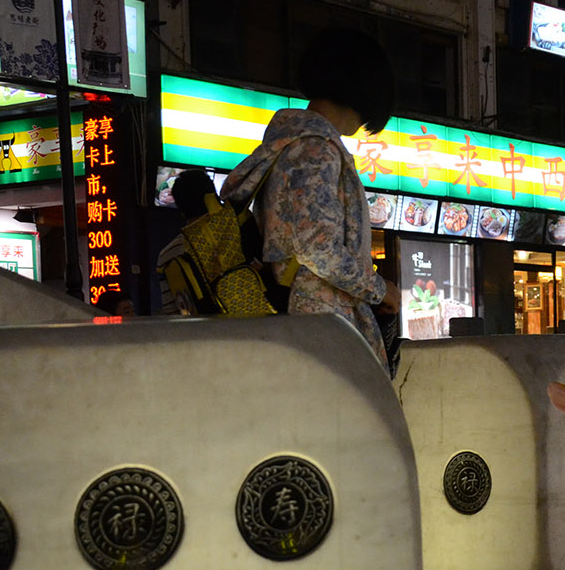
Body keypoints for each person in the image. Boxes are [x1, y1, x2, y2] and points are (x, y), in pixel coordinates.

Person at [221, 28, 401, 368]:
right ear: (364, 87)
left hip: (299, 322)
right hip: (320, 329)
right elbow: (318, 248)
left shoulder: (290, 143)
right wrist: (380, 290)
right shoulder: (316, 148)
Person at [154, 168, 216, 315]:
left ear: (180, 208)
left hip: (200, 334)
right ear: (212, 198)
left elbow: (173, 310)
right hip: (252, 327)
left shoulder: (167, 255)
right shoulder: (237, 234)